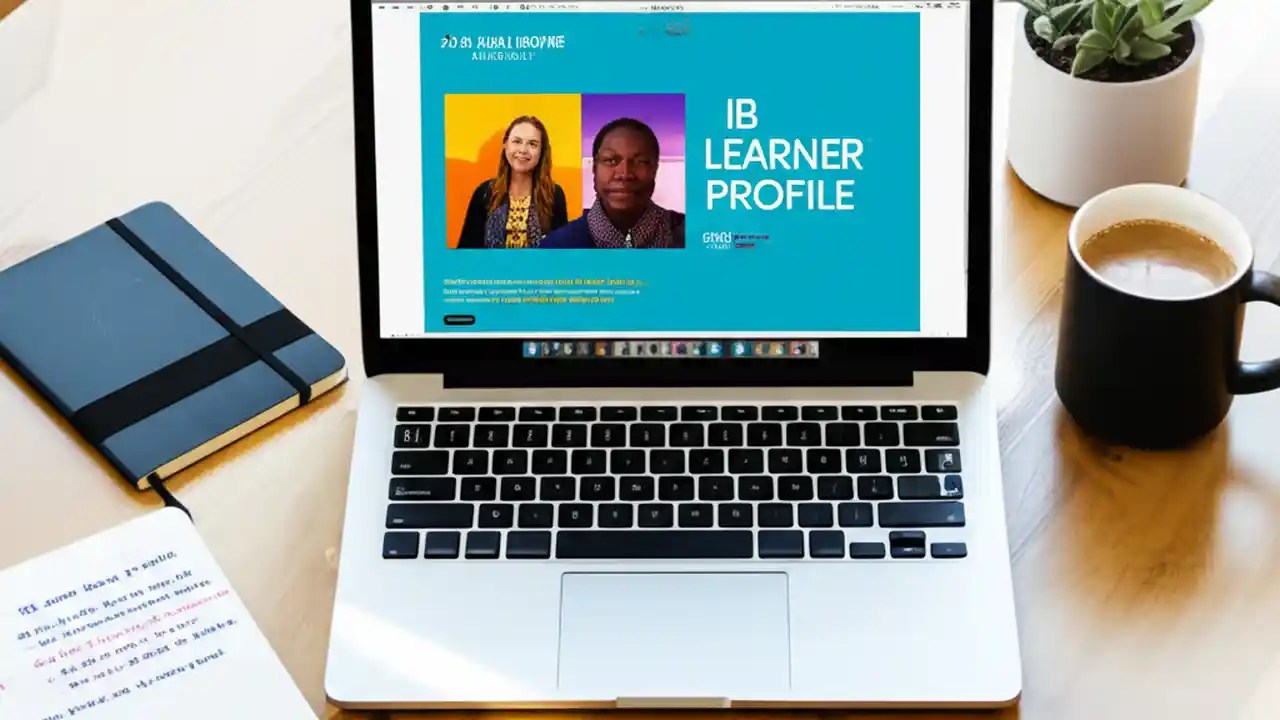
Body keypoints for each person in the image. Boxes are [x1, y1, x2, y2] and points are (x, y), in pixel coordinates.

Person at [539, 117, 684, 249]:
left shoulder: (692, 238)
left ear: (655, 168)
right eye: (610, 160)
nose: (624, 174)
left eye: (641, 162)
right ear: (594, 169)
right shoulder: (555, 248)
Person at [456, 115, 568, 249]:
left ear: (541, 151)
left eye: (532, 144)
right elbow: (467, 253)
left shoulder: (554, 195)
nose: (523, 150)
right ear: (505, 144)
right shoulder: (484, 193)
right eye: (517, 141)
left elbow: (561, 256)